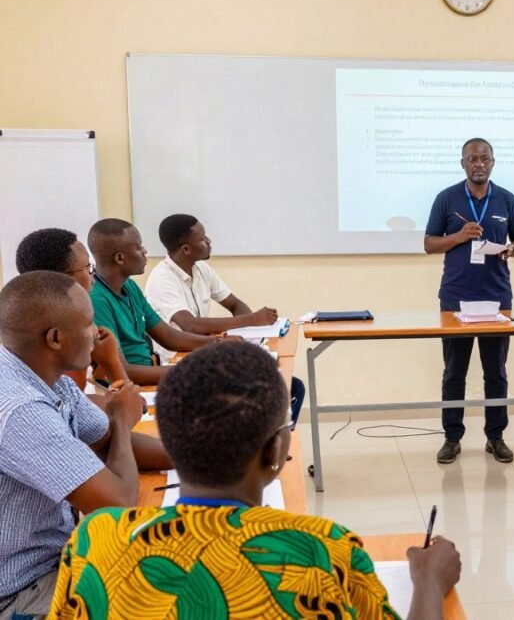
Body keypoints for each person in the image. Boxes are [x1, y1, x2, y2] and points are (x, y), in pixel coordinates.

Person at [48, 341, 463, 620]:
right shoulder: (322, 550)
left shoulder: (94, 540)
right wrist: (428, 580)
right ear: (276, 450)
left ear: (168, 439)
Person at [0, 271, 171, 620]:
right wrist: (121, 419)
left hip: (54, 557)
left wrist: (211, 459)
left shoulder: (47, 376)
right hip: (21, 588)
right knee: (168, 594)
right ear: (56, 338)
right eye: (88, 323)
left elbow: (106, 441)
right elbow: (119, 504)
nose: (97, 332)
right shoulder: (21, 410)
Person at [144, 214, 306, 424]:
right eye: (202, 239)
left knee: (289, 385)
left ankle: (270, 438)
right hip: (178, 362)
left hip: (204, 352)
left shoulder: (201, 269)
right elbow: (190, 325)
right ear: (186, 249)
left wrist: (254, 334)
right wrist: (252, 319)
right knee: (276, 389)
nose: (209, 241)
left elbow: (235, 305)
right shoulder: (162, 279)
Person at [424, 138, 514, 464]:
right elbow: (429, 244)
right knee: (454, 373)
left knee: (496, 373)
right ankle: (452, 438)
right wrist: (459, 236)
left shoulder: (507, 200)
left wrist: (513, 249)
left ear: (492, 163)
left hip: (497, 299)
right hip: (456, 299)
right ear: (463, 163)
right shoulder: (446, 198)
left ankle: (495, 437)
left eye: (484, 158)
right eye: (472, 159)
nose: (479, 164)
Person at [87, 218, 217, 385]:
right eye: (139, 247)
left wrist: (216, 344)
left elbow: (168, 336)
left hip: (149, 375)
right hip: (126, 387)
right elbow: (121, 370)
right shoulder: (97, 300)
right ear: (120, 258)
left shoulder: (130, 286)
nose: (145, 251)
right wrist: (190, 372)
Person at [14, 228, 129, 388]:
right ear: (64, 278)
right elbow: (77, 398)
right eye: (88, 268)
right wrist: (112, 363)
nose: (93, 276)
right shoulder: (67, 328)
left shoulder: (22, 316)